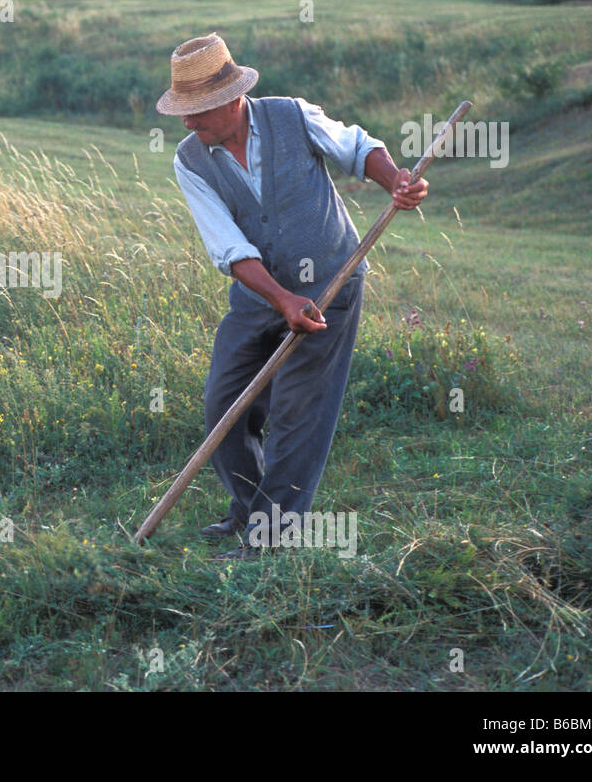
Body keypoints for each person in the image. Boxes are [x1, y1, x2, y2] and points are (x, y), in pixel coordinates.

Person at [155, 33, 427, 559]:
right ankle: (247, 508)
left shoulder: (292, 117)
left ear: (229, 98)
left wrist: (397, 180)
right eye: (182, 112)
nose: (187, 123)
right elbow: (228, 246)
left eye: (196, 111)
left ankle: (271, 536)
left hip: (331, 284)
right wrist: (280, 299)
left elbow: (357, 148)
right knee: (224, 404)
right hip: (261, 297)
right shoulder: (191, 161)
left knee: (298, 414)